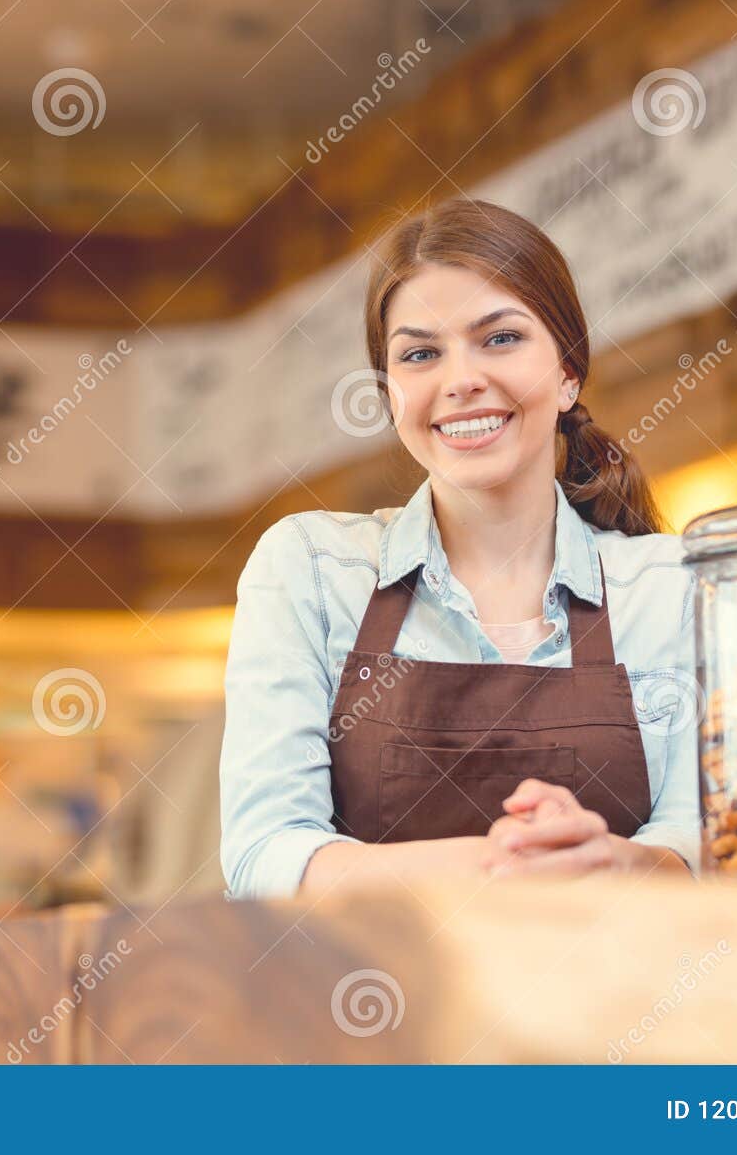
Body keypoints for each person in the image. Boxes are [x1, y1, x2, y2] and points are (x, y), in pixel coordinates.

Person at [219, 198, 700, 900]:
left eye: (500, 338)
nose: (460, 380)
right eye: (420, 354)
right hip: (374, 976)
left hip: (621, 976)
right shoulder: (311, 570)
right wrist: (507, 863)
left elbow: (706, 840)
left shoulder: (672, 584)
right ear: (390, 395)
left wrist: (615, 862)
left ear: (568, 373)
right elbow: (266, 855)